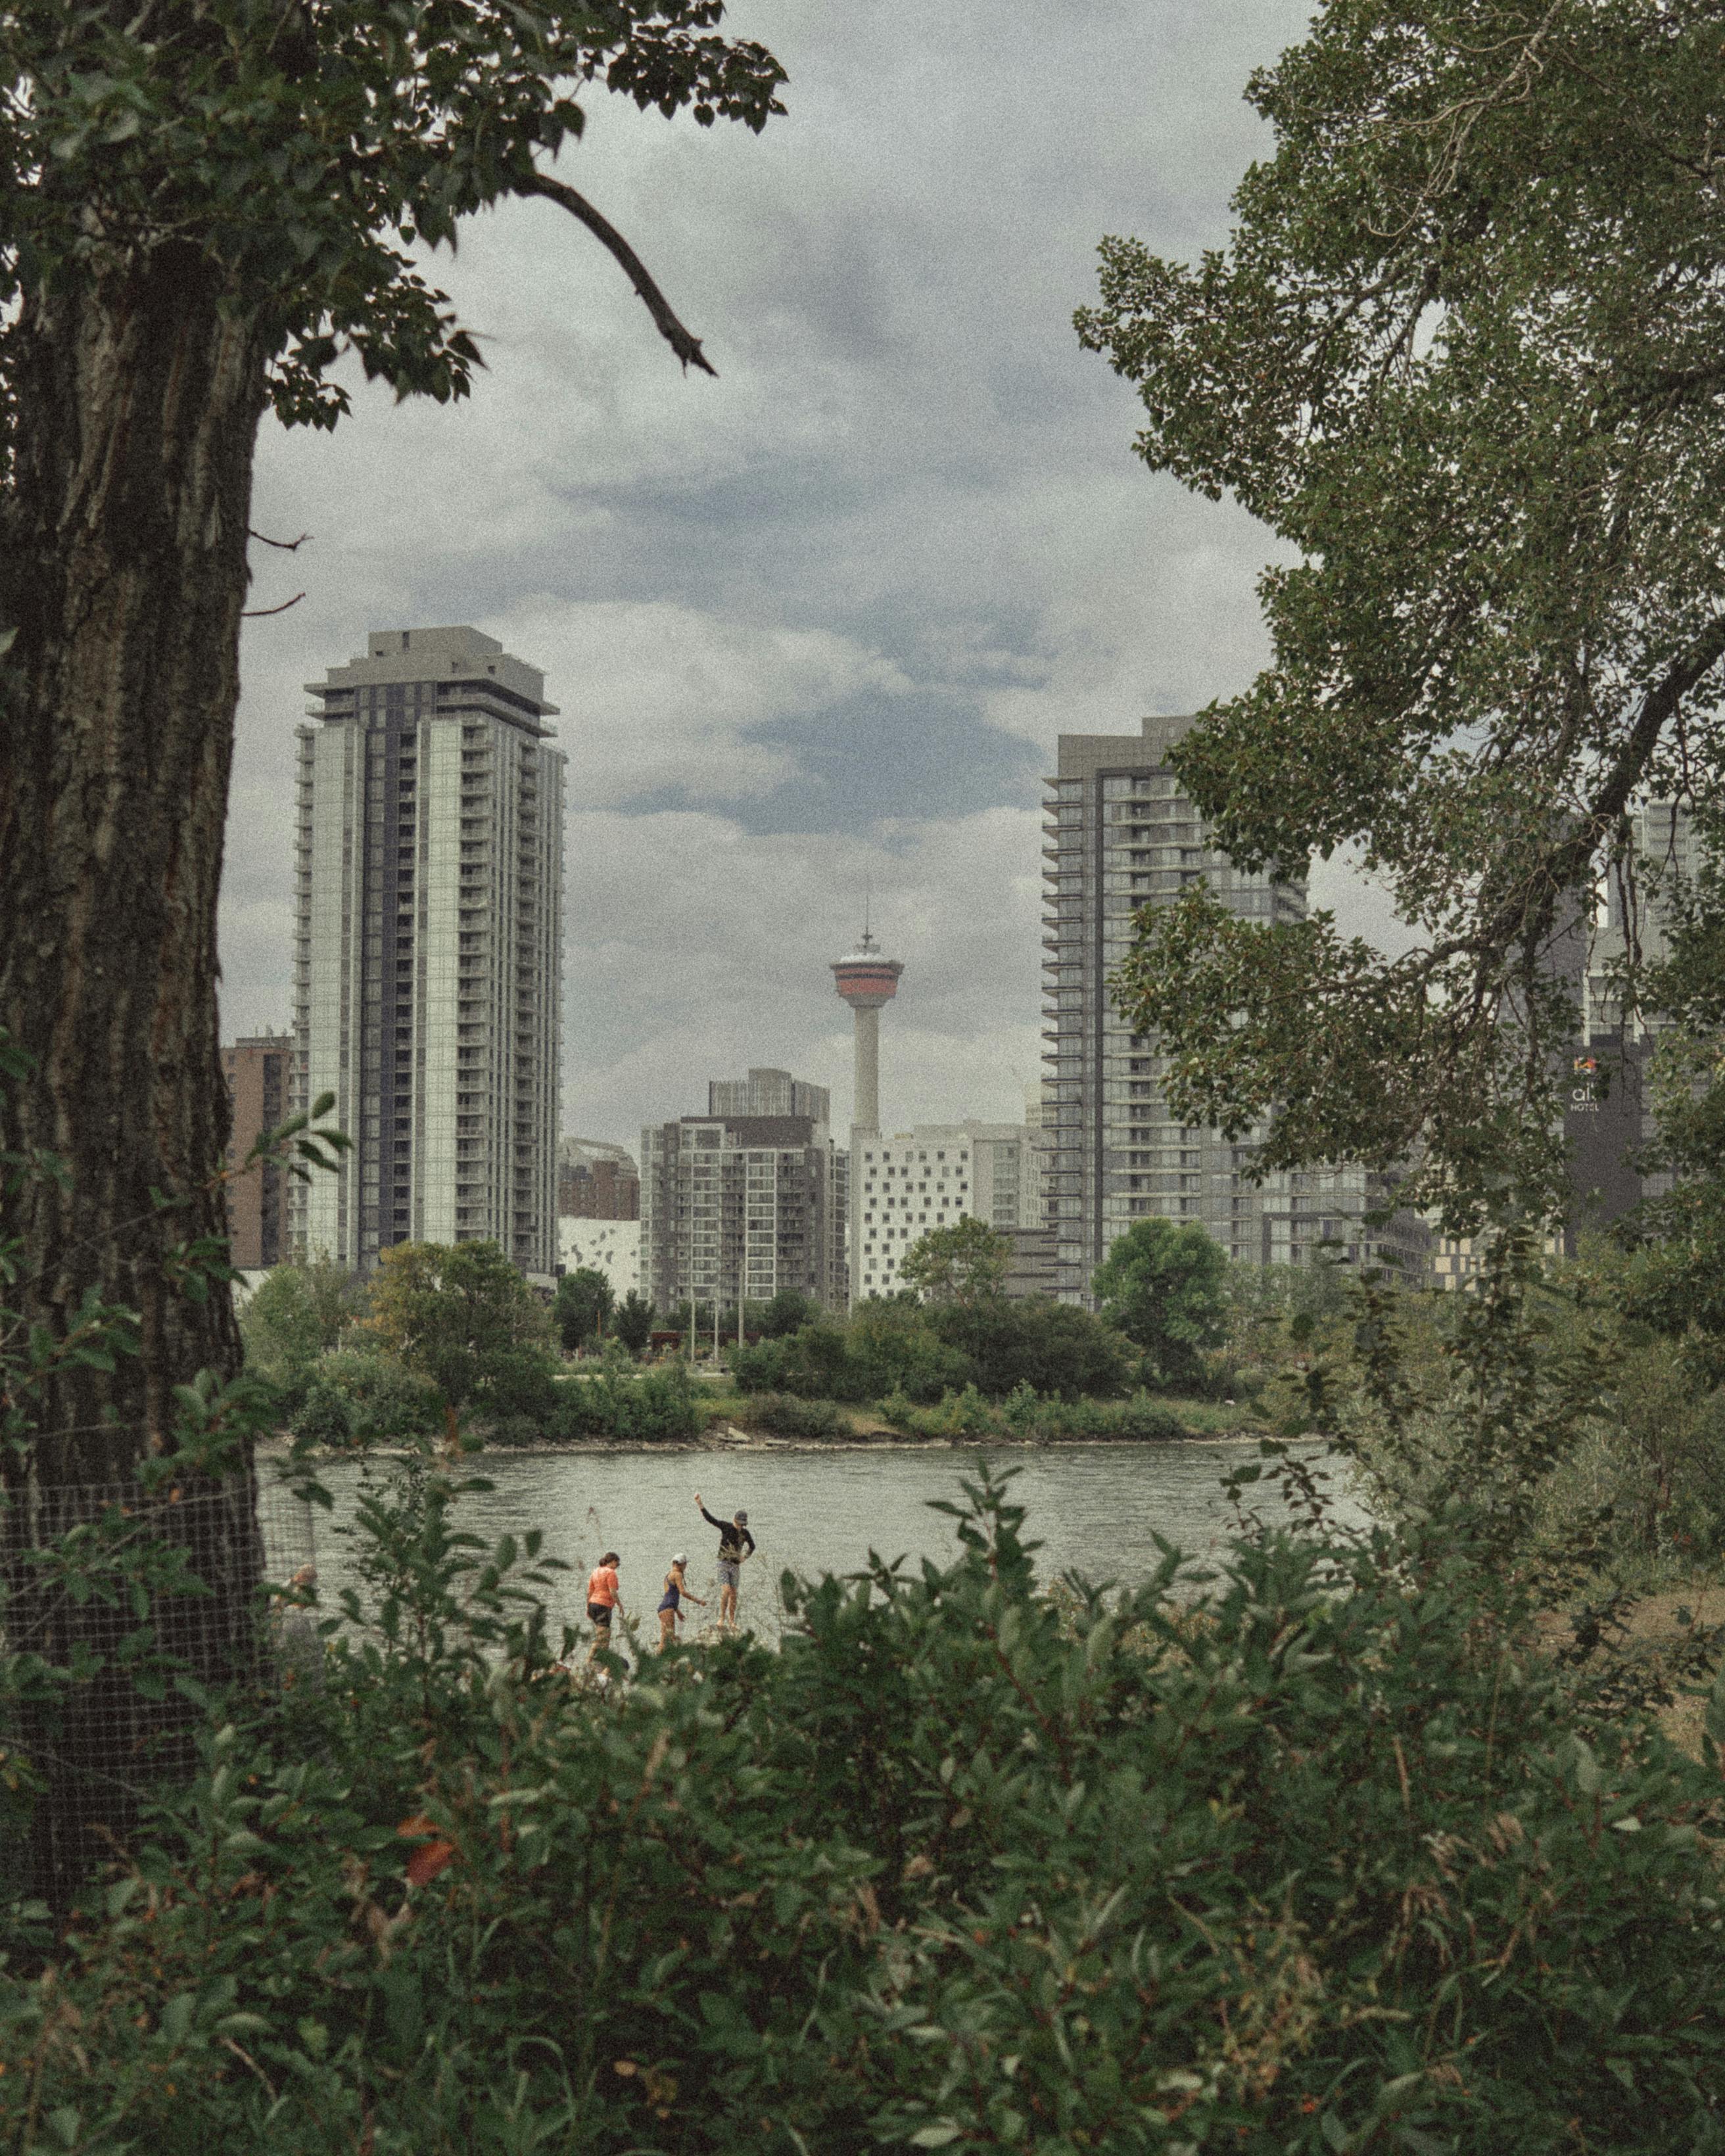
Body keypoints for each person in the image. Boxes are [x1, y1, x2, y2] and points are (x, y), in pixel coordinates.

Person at [694, 1491, 755, 1629]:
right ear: (735, 1520)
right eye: (739, 1523)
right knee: (726, 1590)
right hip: (723, 1563)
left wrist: (745, 1557)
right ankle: (721, 1618)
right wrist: (700, 1504)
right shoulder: (726, 1527)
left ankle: (732, 1621)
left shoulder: (745, 1533)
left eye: (743, 1524)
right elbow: (711, 1519)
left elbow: (752, 1546)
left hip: (735, 1565)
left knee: (734, 1594)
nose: (741, 1526)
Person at [656, 1552, 705, 1651]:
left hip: (663, 1609)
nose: (686, 1567)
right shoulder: (678, 1574)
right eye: (685, 1564)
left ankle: (657, 1659)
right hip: (668, 1609)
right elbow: (682, 1592)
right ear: (681, 1564)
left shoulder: (668, 1575)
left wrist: (678, 1612)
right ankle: (665, 1659)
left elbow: (669, 1595)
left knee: (664, 1639)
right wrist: (698, 1601)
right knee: (669, 1638)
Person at [586, 1550, 623, 1658]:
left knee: (601, 1634)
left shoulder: (595, 1571)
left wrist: (588, 1608)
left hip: (593, 1605)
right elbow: (612, 1591)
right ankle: (592, 1660)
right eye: (617, 1563)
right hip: (603, 1606)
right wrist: (620, 1604)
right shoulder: (611, 1573)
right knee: (603, 1637)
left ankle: (598, 1660)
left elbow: (590, 1592)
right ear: (612, 1561)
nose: (617, 1566)